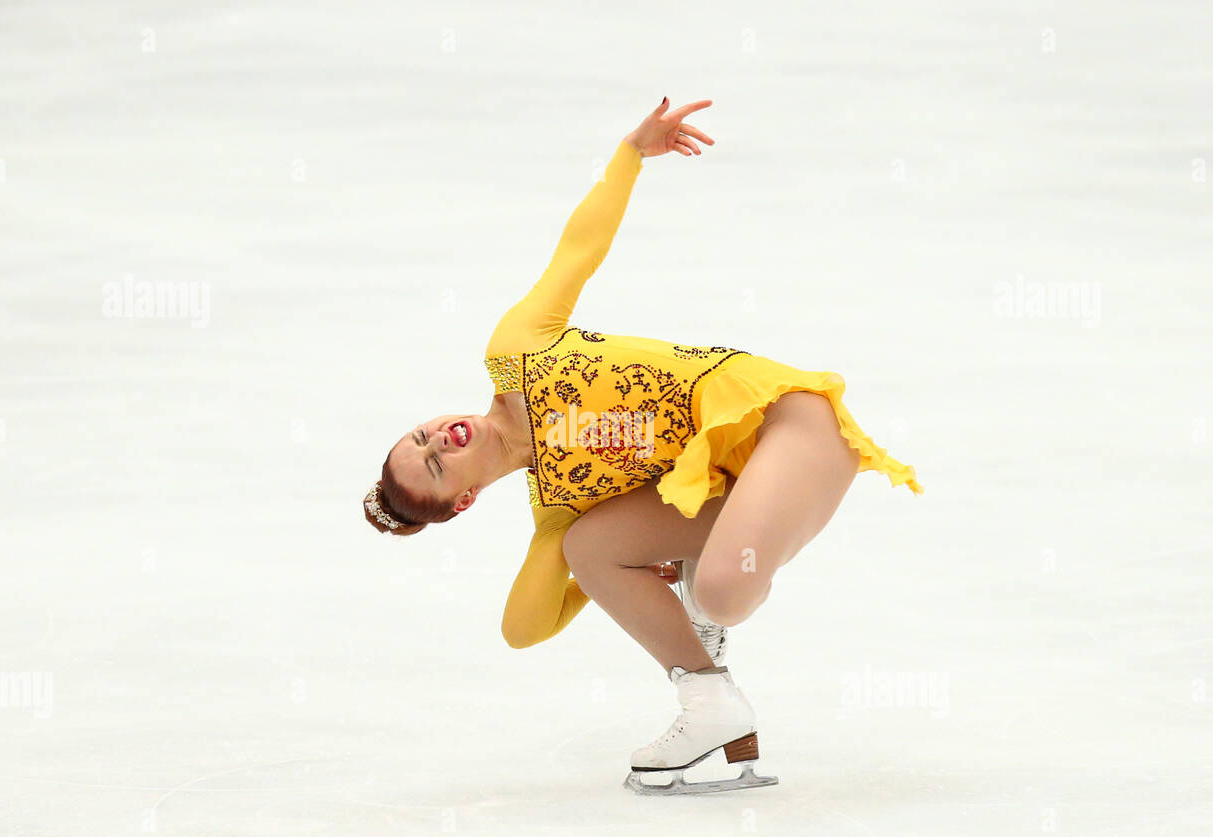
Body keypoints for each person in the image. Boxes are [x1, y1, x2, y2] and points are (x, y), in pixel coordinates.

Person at [364, 97, 922, 793]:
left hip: (791, 423)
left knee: (718, 592)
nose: (441, 438)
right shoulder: (561, 506)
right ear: (466, 498)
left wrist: (630, 154)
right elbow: (521, 629)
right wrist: (614, 576)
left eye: (422, 435)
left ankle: (699, 579)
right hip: (737, 489)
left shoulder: (515, 353)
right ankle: (710, 701)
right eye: (437, 464)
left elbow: (579, 248)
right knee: (593, 549)